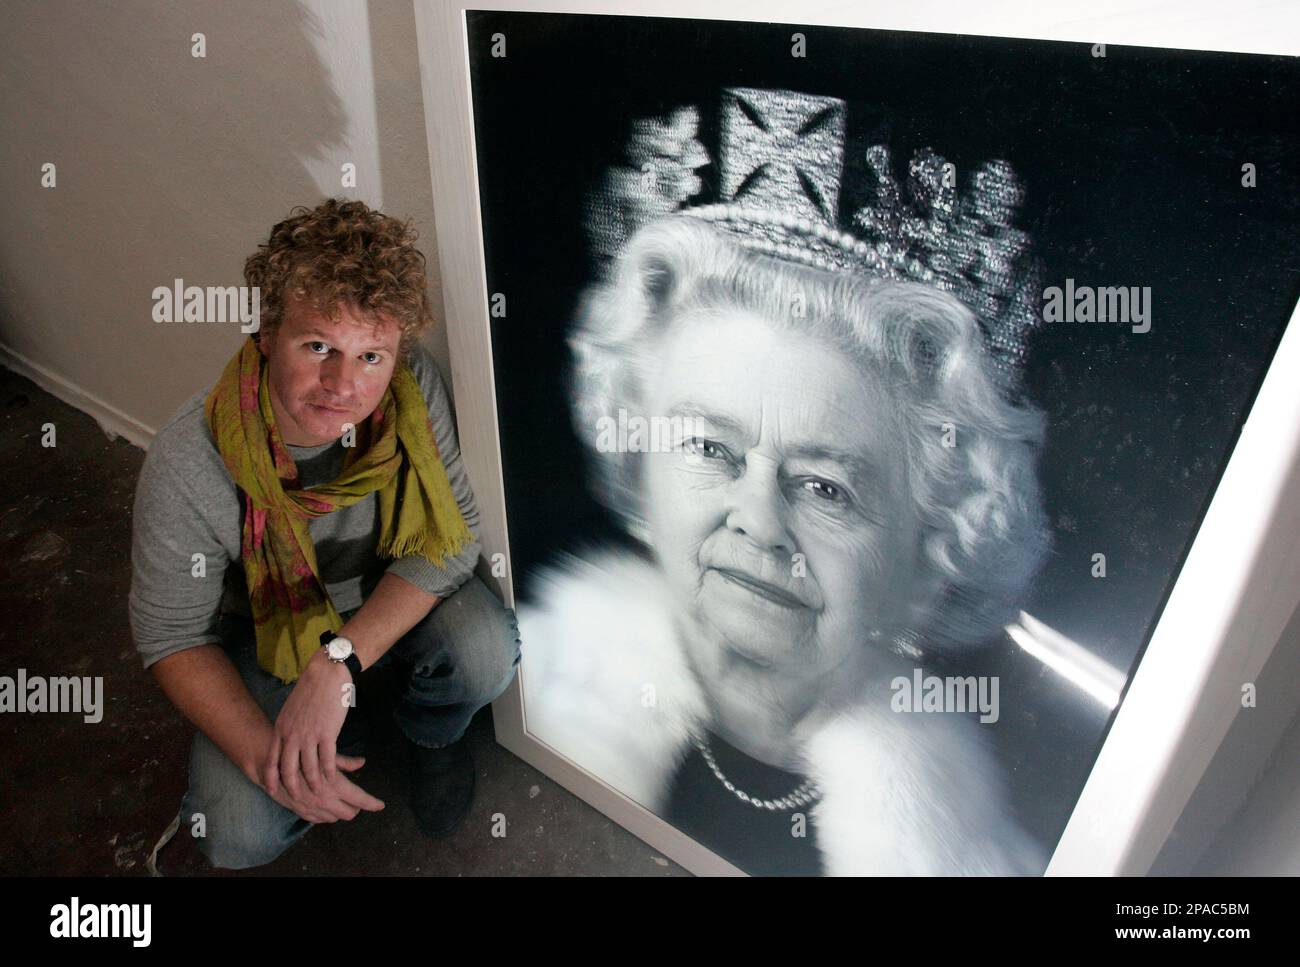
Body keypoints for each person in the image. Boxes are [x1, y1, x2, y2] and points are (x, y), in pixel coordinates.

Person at [519, 143, 1052, 874]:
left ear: (934, 550)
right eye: (709, 449)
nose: (759, 523)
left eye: (826, 486)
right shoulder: (526, 695)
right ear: (639, 461)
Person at [130, 198, 521, 870]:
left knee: (485, 650)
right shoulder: (188, 460)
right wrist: (274, 760)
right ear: (265, 333)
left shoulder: (408, 386)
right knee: (233, 832)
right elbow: (172, 637)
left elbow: (451, 541)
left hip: (377, 598)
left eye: (371, 354)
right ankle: (321, 731)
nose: (345, 384)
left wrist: (337, 663)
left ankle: (430, 736)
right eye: (318, 346)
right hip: (265, 632)